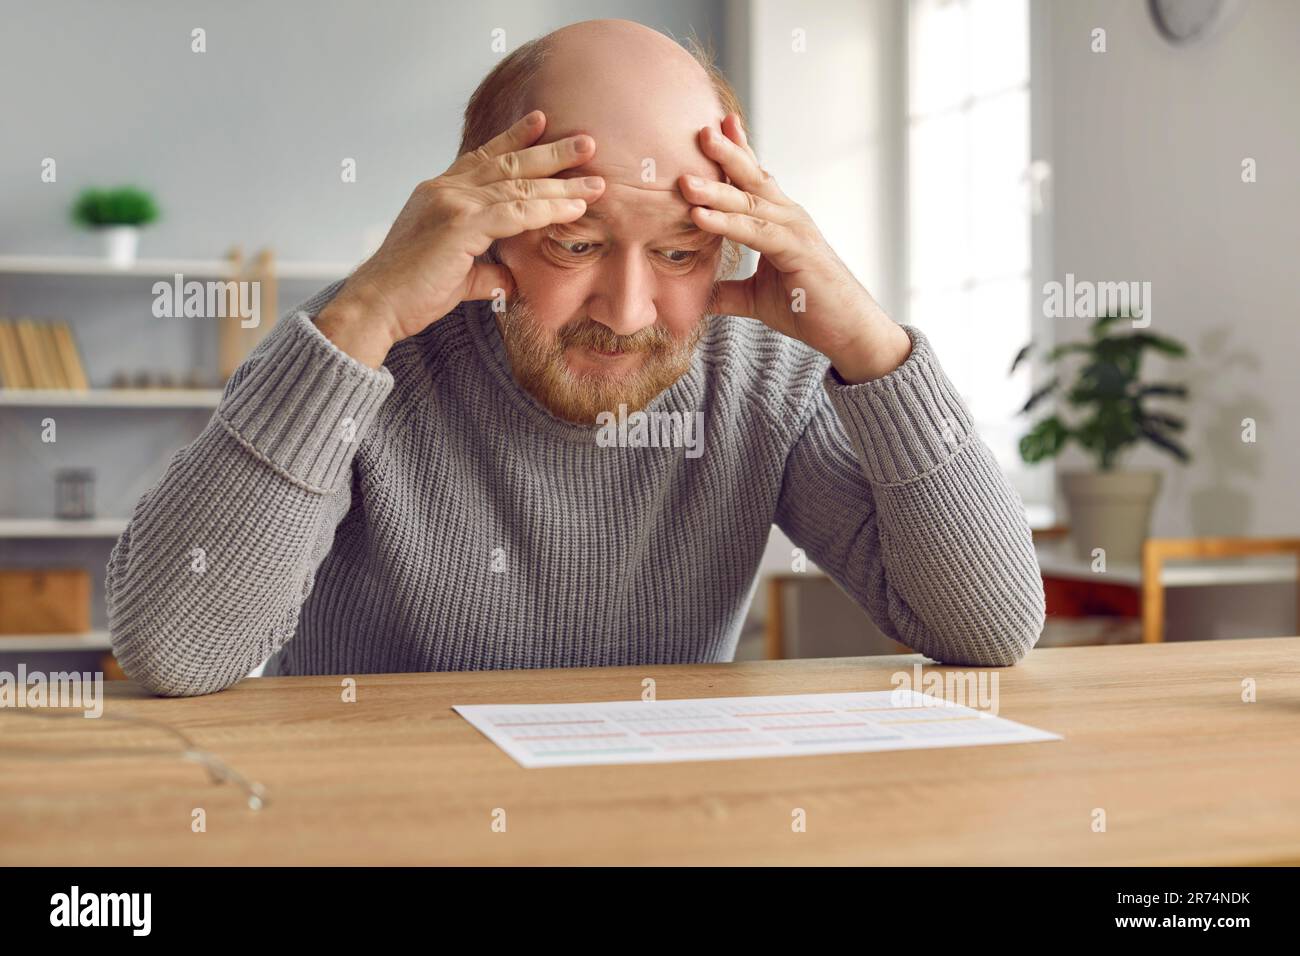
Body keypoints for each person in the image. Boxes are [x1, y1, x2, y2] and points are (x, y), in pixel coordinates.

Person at [107, 18, 1045, 697]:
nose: (628, 312)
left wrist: (874, 350)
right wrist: (359, 323)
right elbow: (171, 650)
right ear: (485, 219)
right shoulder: (357, 349)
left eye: (680, 252)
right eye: (577, 244)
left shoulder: (765, 371)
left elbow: (991, 629)